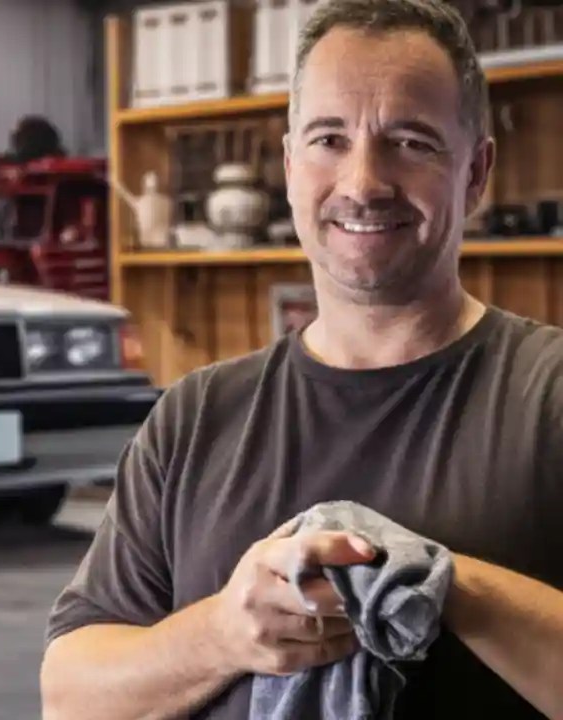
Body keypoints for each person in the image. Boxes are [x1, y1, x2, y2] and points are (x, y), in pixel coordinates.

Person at [39, 1, 563, 718]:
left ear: (476, 173)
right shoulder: (196, 417)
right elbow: (71, 699)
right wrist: (223, 635)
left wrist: (441, 583)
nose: (363, 181)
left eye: (411, 142)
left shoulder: (550, 396)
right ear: (289, 167)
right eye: (328, 139)